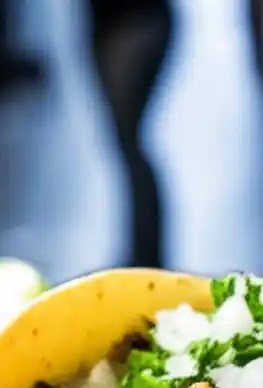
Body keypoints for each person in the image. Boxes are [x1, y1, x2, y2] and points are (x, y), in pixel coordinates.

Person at [88, 0, 173, 268]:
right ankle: (143, 256)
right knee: (125, 144)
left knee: (130, 144)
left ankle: (146, 258)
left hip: (136, 22)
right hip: (109, 24)